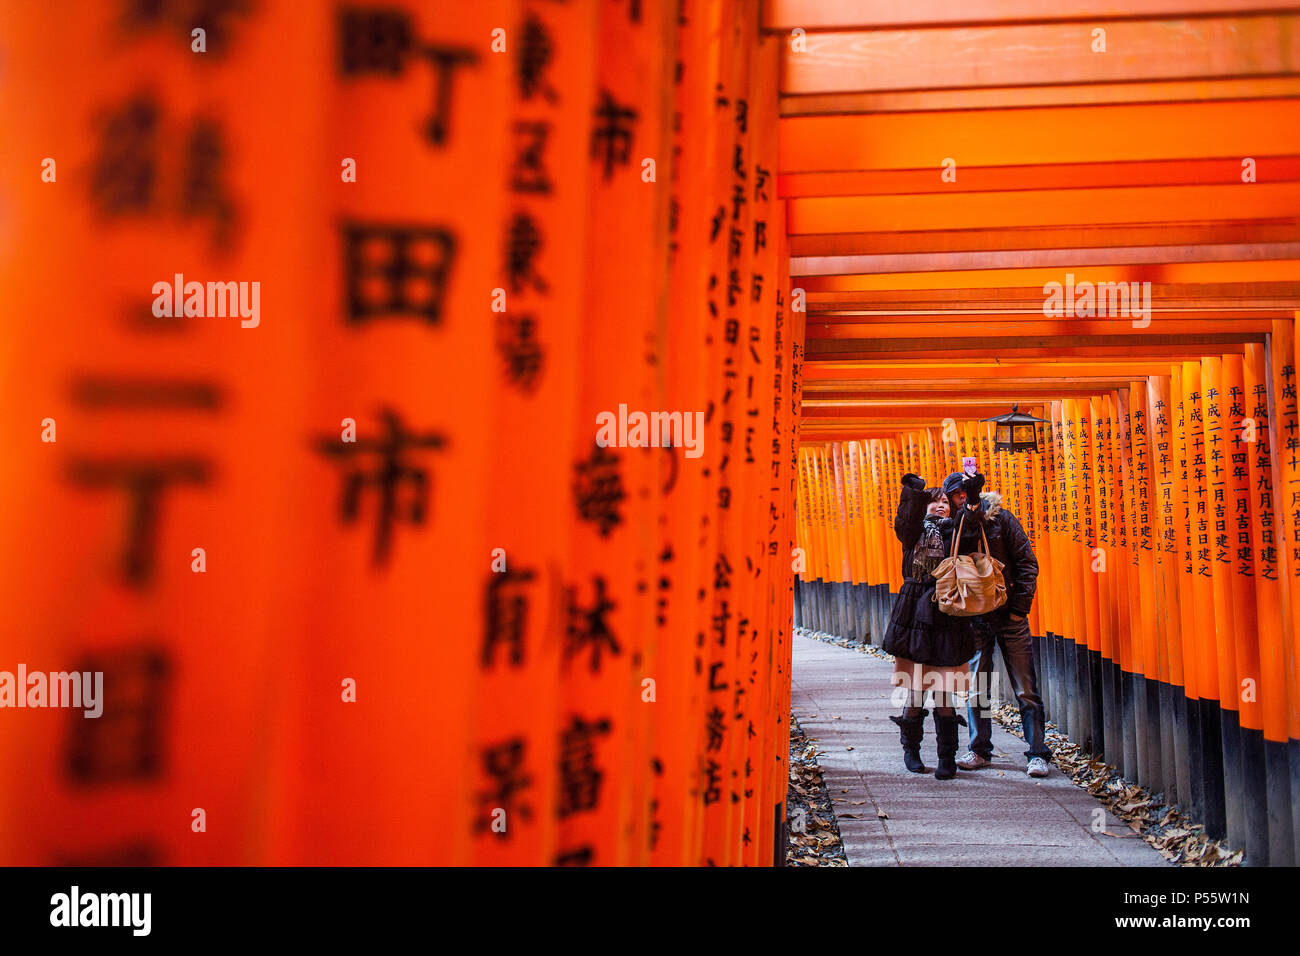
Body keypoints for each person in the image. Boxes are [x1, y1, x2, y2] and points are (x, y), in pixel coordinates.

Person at [939, 472, 1050, 778]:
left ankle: (1037, 753)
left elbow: (1027, 563)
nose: (964, 500)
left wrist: (1018, 609)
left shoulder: (1002, 520)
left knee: (1025, 689)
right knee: (978, 688)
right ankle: (979, 749)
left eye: (967, 494)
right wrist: (964, 517)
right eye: (958, 497)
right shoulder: (953, 526)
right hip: (974, 619)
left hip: (1009, 616)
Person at [882, 473, 981, 780]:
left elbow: (972, 528)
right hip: (914, 613)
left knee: (944, 690)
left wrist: (973, 495)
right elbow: (906, 518)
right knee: (914, 691)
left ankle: (946, 756)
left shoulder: (955, 530)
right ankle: (910, 750)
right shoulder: (912, 533)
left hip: (946, 613)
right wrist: (914, 490)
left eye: (944, 501)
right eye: (934, 500)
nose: (940, 505)